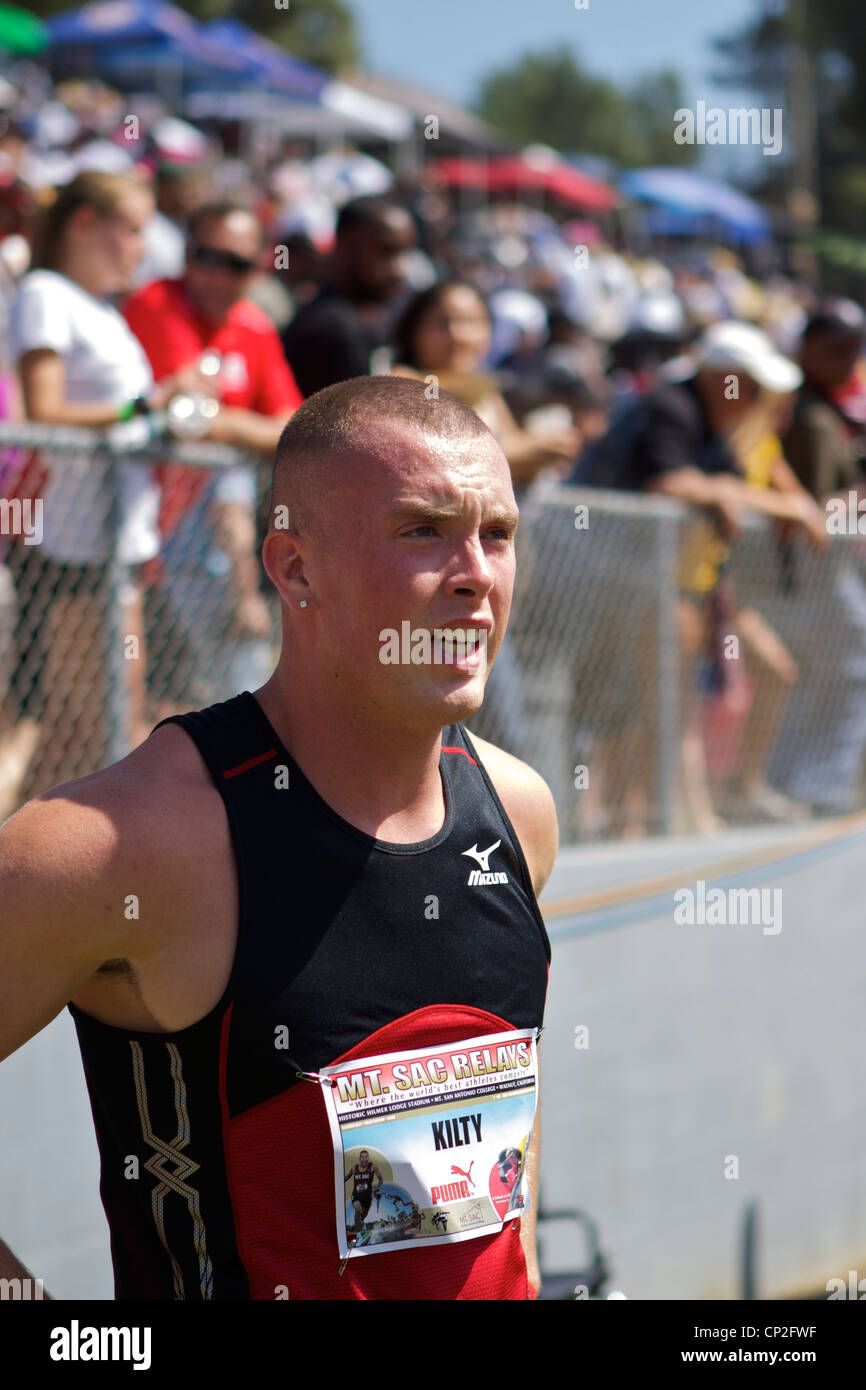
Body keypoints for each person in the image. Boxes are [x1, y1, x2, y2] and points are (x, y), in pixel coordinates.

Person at [0, 375, 557, 1301]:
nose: (475, 574)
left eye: (497, 533)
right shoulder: (126, 841)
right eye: (423, 529)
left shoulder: (518, 808)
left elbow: (497, 1179)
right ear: (296, 569)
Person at [7, 170, 190, 799]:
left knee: (82, 744)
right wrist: (145, 411)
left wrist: (157, 410)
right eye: (132, 229)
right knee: (105, 745)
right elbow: (42, 411)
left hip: (122, 551)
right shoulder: (45, 292)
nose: (141, 248)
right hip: (79, 555)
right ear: (85, 223)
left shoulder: (98, 309)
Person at [391, 279, 581, 760]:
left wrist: (542, 450)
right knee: (487, 724)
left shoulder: (487, 393)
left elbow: (507, 467)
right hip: (426, 587)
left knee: (499, 728)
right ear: (416, 330)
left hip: (487, 588)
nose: (459, 335)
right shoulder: (400, 383)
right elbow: (466, 464)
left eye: (472, 322)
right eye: (443, 322)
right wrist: (535, 448)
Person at [124, 200, 303, 710]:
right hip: (139, 524)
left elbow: (291, 427)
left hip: (202, 534)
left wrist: (218, 424)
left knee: (214, 690)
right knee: (115, 701)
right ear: (185, 254)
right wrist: (230, 427)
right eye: (208, 256)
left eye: (239, 264)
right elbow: (183, 418)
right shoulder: (156, 303)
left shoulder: (254, 326)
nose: (221, 275)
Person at [281, 196, 417, 397]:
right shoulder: (332, 330)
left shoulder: (352, 320)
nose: (399, 269)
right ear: (345, 245)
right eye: (386, 252)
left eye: (404, 254)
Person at [782, 298, 866, 501]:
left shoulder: (833, 407)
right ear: (808, 346)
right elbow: (819, 506)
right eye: (839, 350)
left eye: (854, 351)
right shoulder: (810, 416)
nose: (849, 361)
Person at [345, 1150, 383, 1235]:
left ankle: (361, 1227)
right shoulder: (354, 1168)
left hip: (367, 1197)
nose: (364, 1159)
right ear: (359, 1158)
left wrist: (377, 1187)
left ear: (368, 1158)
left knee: (362, 1216)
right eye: (362, 1157)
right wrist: (341, 1179)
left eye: (366, 1157)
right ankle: (358, 1233)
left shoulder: (373, 1167)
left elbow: (381, 1179)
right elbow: (348, 1176)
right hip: (356, 1195)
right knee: (358, 1210)